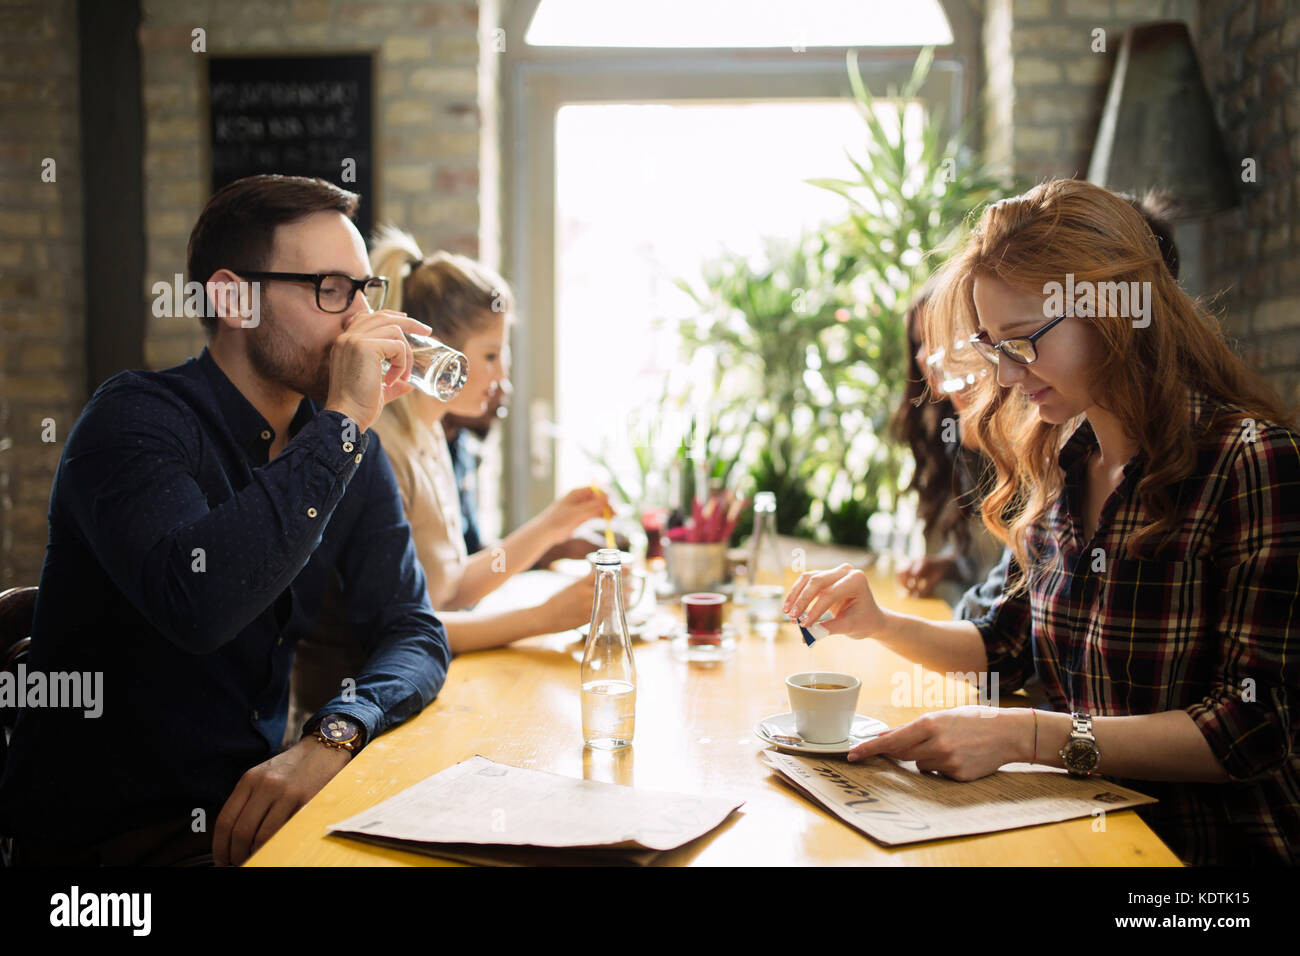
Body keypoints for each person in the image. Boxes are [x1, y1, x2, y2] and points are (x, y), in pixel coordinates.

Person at [782, 178, 1299, 865]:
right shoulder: (1064, 462)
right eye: (993, 346)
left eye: (1022, 342)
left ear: (1113, 311)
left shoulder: (1252, 463)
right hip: (1081, 839)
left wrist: (1026, 736)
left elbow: (1251, 727)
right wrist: (880, 623)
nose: (1005, 373)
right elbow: (1007, 641)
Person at [0, 175, 450, 867]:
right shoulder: (132, 422)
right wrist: (346, 422)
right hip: (107, 856)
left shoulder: (343, 443)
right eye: (331, 289)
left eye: (365, 290)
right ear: (231, 297)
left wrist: (333, 734)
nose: (360, 321)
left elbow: (414, 631)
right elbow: (200, 607)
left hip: (249, 831)